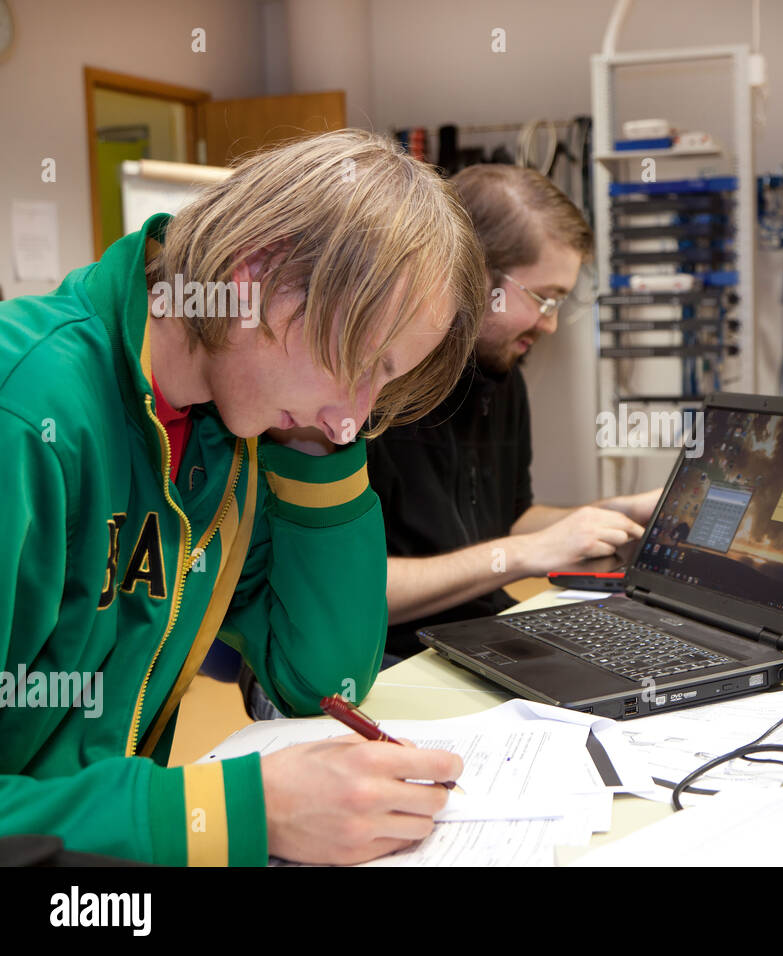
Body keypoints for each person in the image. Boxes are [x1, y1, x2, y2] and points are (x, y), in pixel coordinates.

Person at [0, 129, 485, 866]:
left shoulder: (230, 432)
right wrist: (225, 811)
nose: (354, 414)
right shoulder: (25, 415)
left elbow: (324, 687)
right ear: (254, 274)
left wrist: (325, 451)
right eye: (360, 362)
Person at [368, 164, 659, 660]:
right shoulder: (372, 393)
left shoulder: (498, 378)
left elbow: (507, 519)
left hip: (473, 633)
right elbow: (354, 593)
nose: (550, 325)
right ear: (474, 276)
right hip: (387, 656)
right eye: (545, 299)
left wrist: (611, 514)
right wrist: (527, 555)